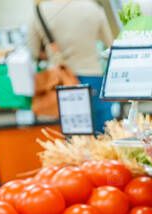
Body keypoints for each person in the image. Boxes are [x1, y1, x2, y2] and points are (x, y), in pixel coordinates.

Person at [28, 0, 115, 133]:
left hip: (61, 82)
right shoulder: (92, 7)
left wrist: (51, 54)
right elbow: (110, 43)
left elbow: (32, 51)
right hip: (93, 77)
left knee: (75, 136)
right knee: (104, 132)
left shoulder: (40, 11)